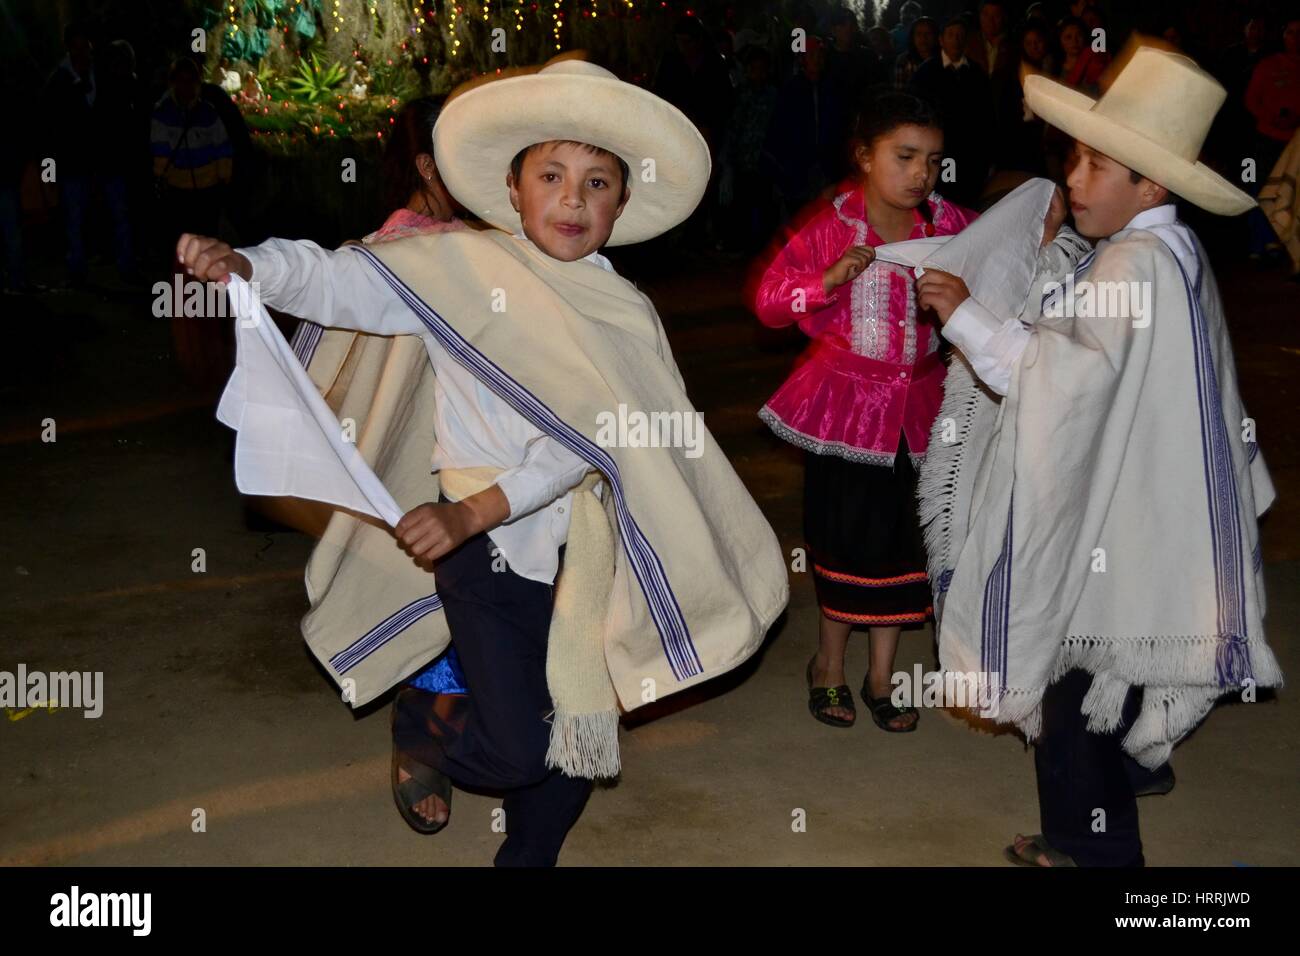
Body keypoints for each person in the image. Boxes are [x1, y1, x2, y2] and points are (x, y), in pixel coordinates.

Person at [180, 58, 788, 866]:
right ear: (512, 188)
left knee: (578, 740)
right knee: (519, 748)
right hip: (483, 546)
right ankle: (426, 726)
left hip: (587, 554)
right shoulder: (456, 270)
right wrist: (250, 264)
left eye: (598, 182)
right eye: (552, 174)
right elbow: (341, 280)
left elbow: (617, 441)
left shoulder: (623, 308)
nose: (573, 199)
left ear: (621, 204)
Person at [915, 47, 1281, 867]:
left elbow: (1056, 383)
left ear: (1150, 185)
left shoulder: (1135, 265)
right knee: (1109, 671)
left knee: (1069, 679)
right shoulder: (1173, 253)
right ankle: (1130, 766)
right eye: (1074, 157)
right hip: (1150, 506)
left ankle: (1095, 849)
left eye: (1095, 164)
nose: (1073, 178)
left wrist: (967, 315)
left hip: (1111, 523)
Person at [749, 90, 977, 733]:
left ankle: (882, 677)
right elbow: (769, 302)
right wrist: (825, 281)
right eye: (904, 157)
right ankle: (827, 666)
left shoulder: (953, 225)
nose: (920, 174)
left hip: (926, 409)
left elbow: (1012, 263)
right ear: (864, 156)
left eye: (932, 160)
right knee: (845, 538)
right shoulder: (830, 226)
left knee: (908, 541)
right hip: (846, 409)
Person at [280, 96, 470, 833]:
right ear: (427, 166)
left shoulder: (498, 242)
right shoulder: (396, 251)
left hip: (492, 466)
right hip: (421, 467)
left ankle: (473, 724)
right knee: (429, 591)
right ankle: (420, 735)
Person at [910, 17, 993, 206]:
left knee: (969, 201)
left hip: (971, 153)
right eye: (951, 35)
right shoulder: (926, 72)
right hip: (941, 154)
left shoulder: (976, 73)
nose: (956, 40)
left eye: (960, 36)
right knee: (943, 201)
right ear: (941, 40)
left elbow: (987, 116)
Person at [1244, 18, 1300, 261]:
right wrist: (1272, 118)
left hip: (1296, 143)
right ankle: (1262, 242)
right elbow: (1251, 100)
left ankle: (1289, 242)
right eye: (1291, 32)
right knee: (1262, 190)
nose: (1296, 38)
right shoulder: (1268, 65)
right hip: (1267, 139)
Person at [893, 15, 938, 90]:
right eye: (919, 34)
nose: (923, 38)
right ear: (912, 37)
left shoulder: (944, 58)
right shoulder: (904, 60)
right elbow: (900, 93)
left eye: (928, 33)